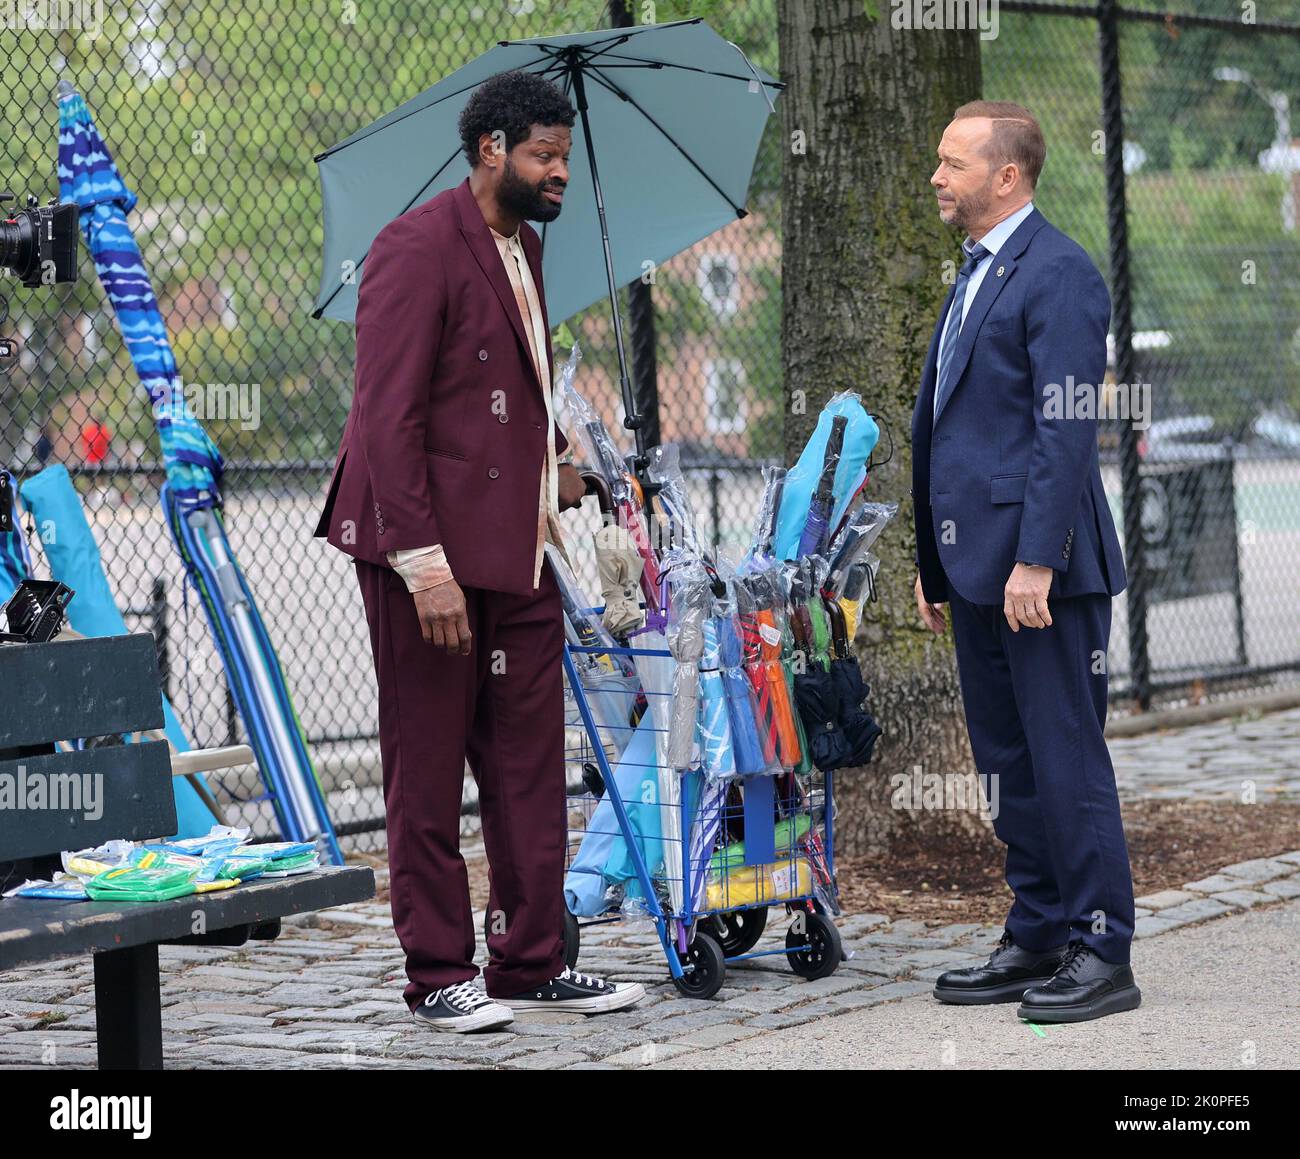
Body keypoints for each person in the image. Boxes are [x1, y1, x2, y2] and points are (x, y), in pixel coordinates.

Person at [315, 70, 644, 1032]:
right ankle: (437, 972)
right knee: (426, 769)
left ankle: (531, 958)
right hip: (428, 560)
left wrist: (554, 467)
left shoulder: (526, 249)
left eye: (566, 157)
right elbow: (389, 413)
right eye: (545, 154)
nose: (559, 173)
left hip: (518, 554)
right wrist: (422, 563)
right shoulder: (414, 247)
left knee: (529, 762)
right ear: (493, 149)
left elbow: (494, 398)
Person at [912, 102, 1140, 1023]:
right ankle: (1039, 930)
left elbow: (1066, 427)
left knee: (1065, 757)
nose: (937, 175)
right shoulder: (973, 272)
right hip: (975, 575)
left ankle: (1101, 947)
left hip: (1043, 573)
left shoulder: (1062, 272)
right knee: (1007, 760)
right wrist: (935, 565)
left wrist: (1036, 560)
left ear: (1006, 175)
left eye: (952, 162)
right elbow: (949, 429)